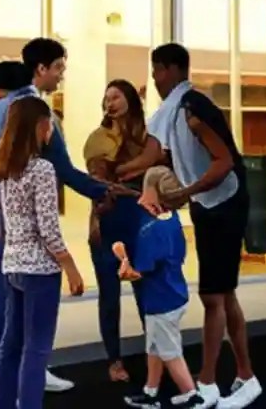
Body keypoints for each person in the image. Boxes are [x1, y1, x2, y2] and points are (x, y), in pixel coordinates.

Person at [0, 40, 116, 405]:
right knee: (27, 324)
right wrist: (105, 191)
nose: (62, 76)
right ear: (40, 69)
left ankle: (0, 379)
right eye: (59, 68)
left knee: (7, 302)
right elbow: (63, 174)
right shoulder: (39, 116)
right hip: (22, 231)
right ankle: (17, 377)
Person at [144, 43, 262, 409]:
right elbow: (158, 156)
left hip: (225, 203)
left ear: (171, 69)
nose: (154, 78)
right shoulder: (175, 112)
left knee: (213, 296)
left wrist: (187, 191)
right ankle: (242, 377)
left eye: (157, 70)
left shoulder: (194, 109)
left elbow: (224, 161)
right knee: (223, 295)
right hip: (207, 204)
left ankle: (209, 382)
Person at [0, 96, 86, 409]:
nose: (52, 131)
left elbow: (4, 222)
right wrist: (71, 267)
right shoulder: (42, 170)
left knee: (11, 344)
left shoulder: (5, 168)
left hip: (12, 264)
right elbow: (48, 230)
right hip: (40, 270)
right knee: (37, 348)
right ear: (40, 126)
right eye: (50, 125)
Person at [81, 79, 166, 383]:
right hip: (108, 223)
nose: (109, 102)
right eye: (106, 98)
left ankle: (157, 354)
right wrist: (131, 183)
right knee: (110, 295)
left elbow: (159, 174)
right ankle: (114, 361)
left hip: (141, 226)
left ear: (130, 100)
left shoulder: (148, 139)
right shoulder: (97, 140)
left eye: (116, 96)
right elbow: (100, 186)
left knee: (148, 293)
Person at [115, 167, 203, 409]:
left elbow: (137, 272)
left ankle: (192, 396)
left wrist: (121, 257)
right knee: (154, 346)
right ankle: (151, 391)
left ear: (152, 192)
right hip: (173, 294)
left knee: (169, 351)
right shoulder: (172, 220)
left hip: (161, 301)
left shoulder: (151, 230)